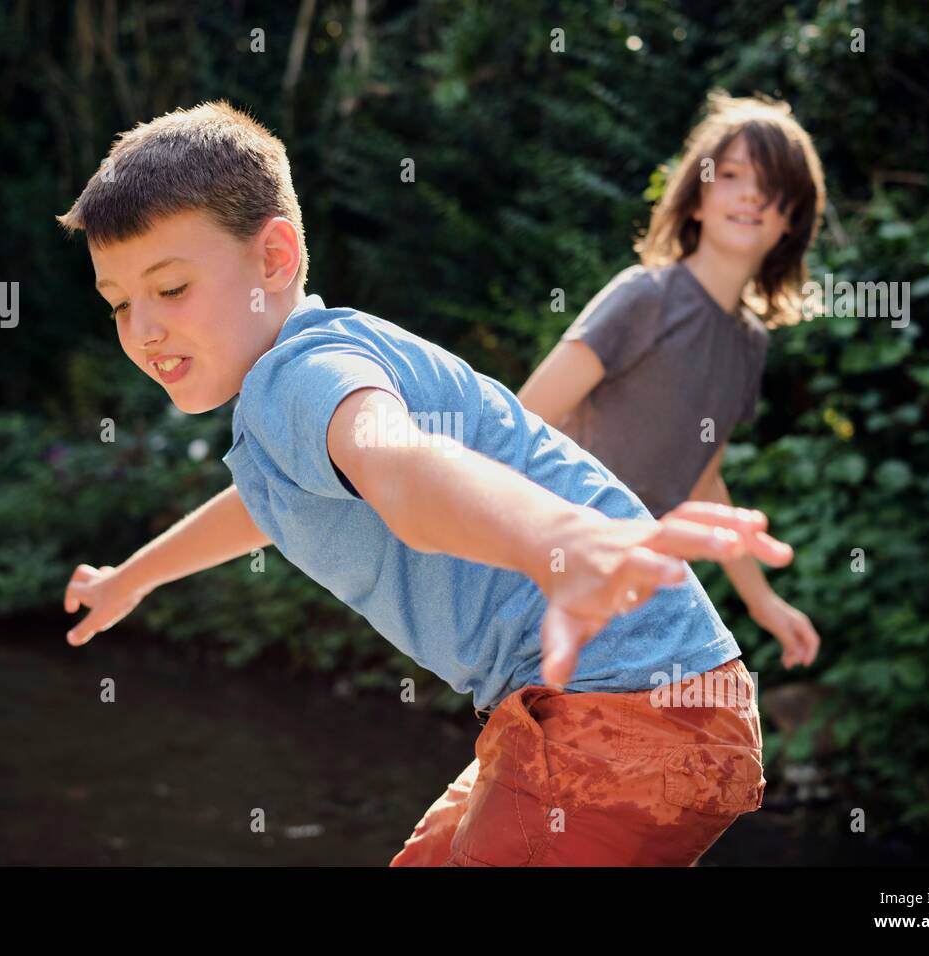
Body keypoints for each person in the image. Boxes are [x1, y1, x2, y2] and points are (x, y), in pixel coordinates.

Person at [58, 102, 792, 866]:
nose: (142, 328)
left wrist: (560, 541)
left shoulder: (303, 375)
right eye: (119, 304)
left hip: (621, 705)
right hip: (639, 703)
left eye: (170, 288)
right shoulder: (305, 397)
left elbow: (400, 467)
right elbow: (264, 507)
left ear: (275, 257)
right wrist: (130, 580)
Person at [519, 91, 824, 672]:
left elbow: (702, 475)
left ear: (790, 220)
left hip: (634, 594)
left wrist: (763, 601)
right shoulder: (645, 297)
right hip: (552, 574)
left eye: (771, 184)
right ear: (697, 199)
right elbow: (520, 420)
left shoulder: (750, 344)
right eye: (730, 174)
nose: (751, 194)